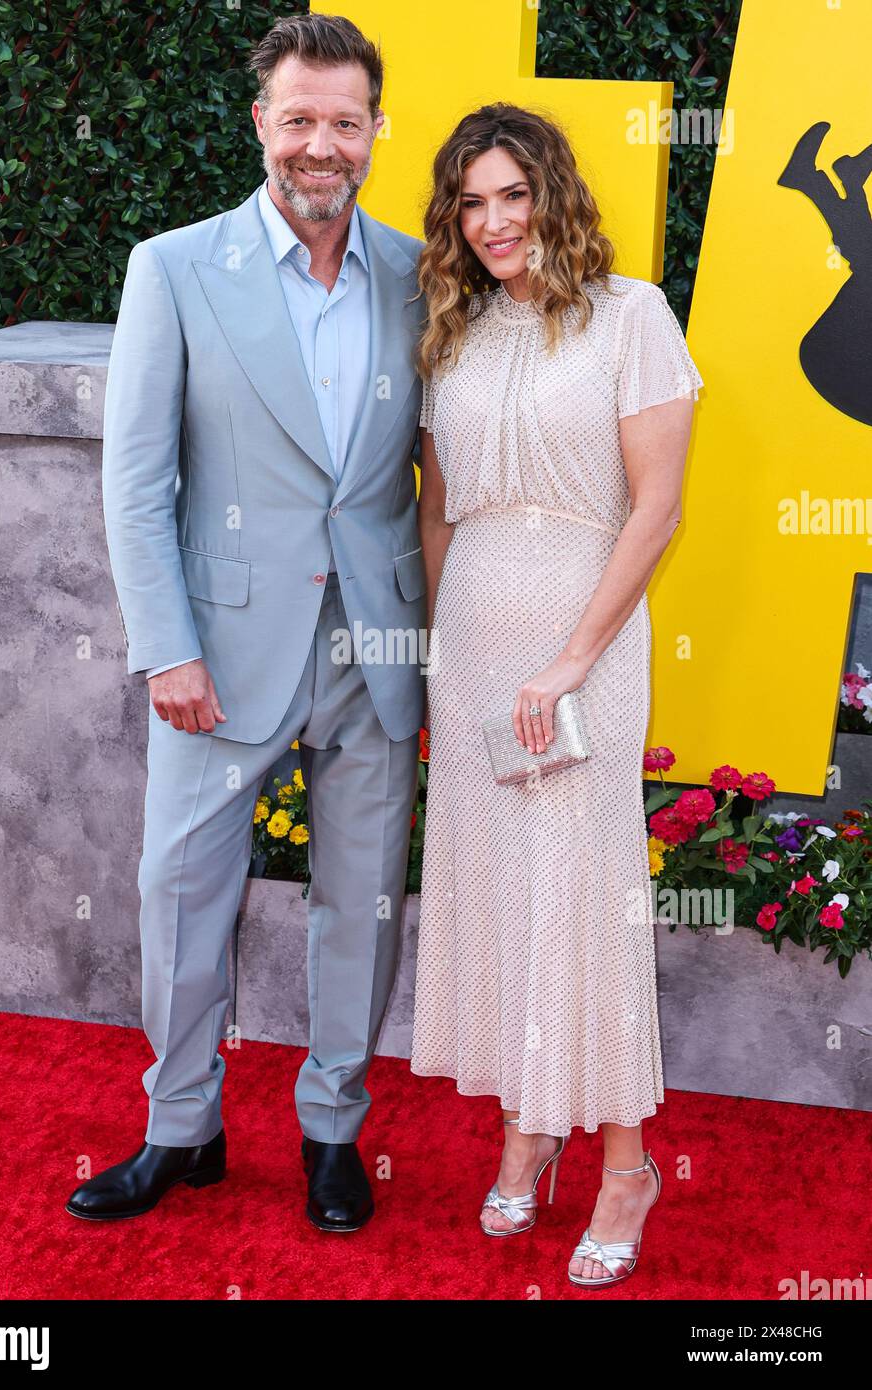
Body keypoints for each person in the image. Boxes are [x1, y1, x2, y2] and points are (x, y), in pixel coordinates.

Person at [66, 12, 427, 1233]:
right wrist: (164, 644)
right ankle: (182, 1128)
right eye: (298, 119)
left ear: (375, 132)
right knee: (179, 888)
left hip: (373, 650)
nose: (319, 144)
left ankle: (333, 1126)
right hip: (217, 651)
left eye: (343, 120)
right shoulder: (173, 266)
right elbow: (136, 478)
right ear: (259, 125)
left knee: (362, 899)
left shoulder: (420, 273)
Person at [410, 104, 703, 1285]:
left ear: (552, 194)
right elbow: (436, 510)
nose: (491, 222)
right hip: (476, 636)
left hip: (583, 633)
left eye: (510, 195)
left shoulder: (631, 316)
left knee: (582, 888)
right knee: (499, 888)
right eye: (470, 203)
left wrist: (575, 652)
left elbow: (656, 507)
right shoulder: (455, 331)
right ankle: (525, 1125)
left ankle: (625, 1161)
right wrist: (442, 650)